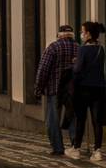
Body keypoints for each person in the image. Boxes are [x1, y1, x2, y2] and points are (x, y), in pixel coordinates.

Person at [33, 23, 78, 156]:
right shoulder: (78, 48)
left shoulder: (53, 48)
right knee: (72, 117)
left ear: (59, 35)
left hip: (54, 89)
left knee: (53, 119)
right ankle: (75, 145)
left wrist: (38, 89)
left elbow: (43, 70)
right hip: (72, 90)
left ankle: (58, 148)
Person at [67, 20, 106, 162]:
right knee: (97, 121)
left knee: (81, 119)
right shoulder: (101, 49)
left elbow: (78, 69)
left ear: (89, 34)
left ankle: (76, 149)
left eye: (83, 31)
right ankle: (97, 150)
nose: (81, 34)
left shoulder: (83, 49)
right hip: (99, 89)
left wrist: (74, 63)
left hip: (84, 89)